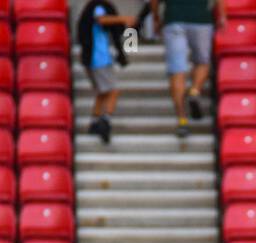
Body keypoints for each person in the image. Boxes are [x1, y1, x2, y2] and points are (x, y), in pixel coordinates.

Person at [150, 0, 224, 138]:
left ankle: (182, 120)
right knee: (202, 62)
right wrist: (222, 16)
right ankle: (195, 91)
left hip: (174, 19)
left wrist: (156, 18)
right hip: (201, 18)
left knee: (177, 70)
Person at [77, 1, 134, 145]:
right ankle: (105, 121)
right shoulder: (99, 7)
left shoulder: (94, 7)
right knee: (113, 91)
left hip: (95, 58)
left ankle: (95, 122)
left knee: (102, 92)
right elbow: (101, 19)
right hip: (99, 58)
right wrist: (123, 19)